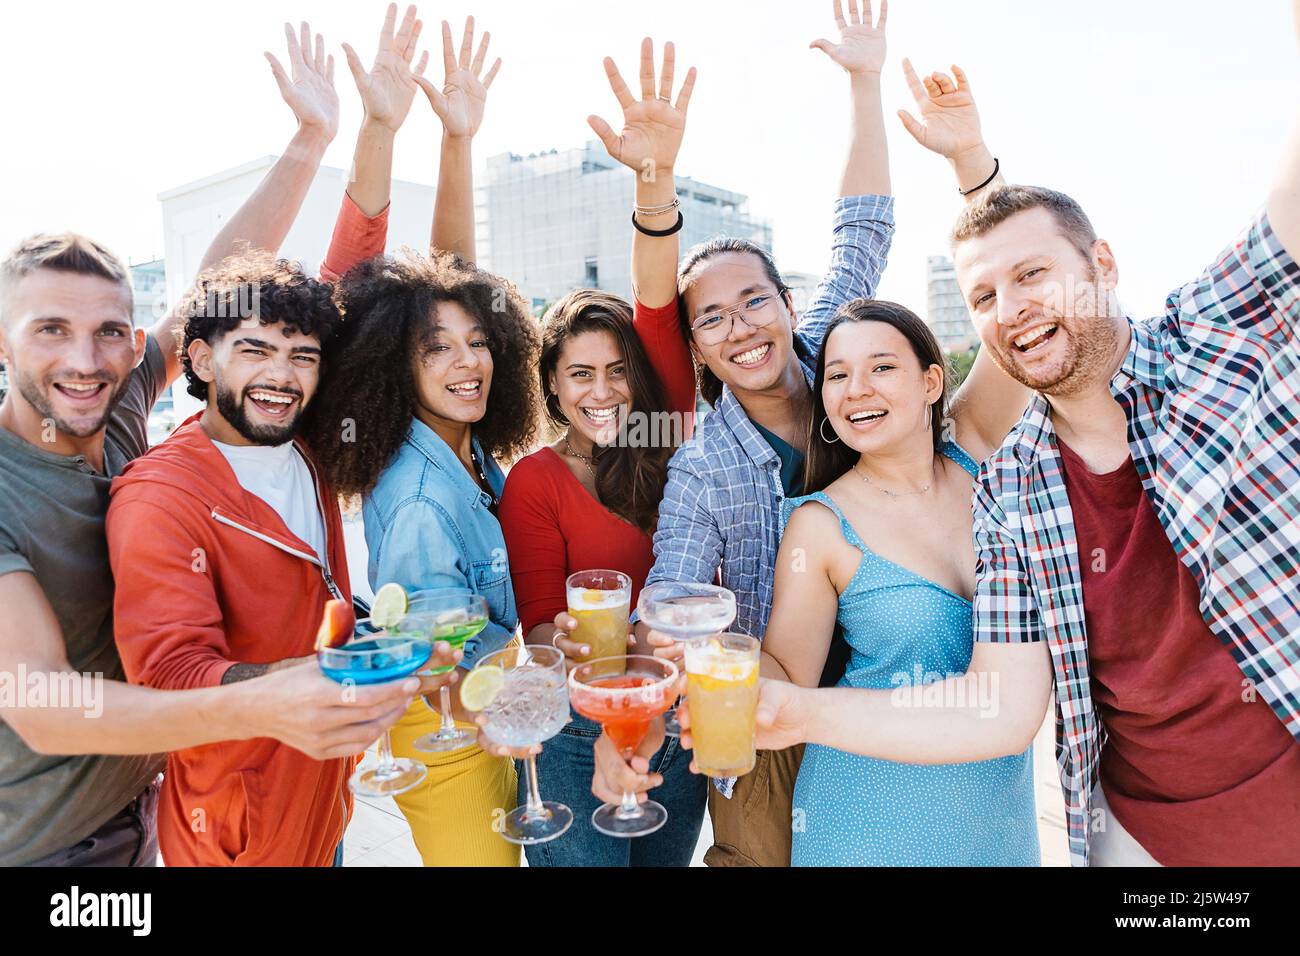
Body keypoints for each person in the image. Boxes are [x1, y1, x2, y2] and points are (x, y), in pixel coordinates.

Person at [685, 1, 1300, 868]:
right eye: (983, 299)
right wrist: (774, 703)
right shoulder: (1011, 490)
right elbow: (1000, 706)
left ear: (936, 381)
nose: (1011, 311)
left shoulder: (1201, 344)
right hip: (1126, 839)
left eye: (1034, 276)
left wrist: (970, 160)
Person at [0, 17, 433, 868]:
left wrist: (317, 139)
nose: (84, 360)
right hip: (45, 843)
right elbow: (39, 698)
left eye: (109, 333)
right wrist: (283, 696)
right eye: (49, 329)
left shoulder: (110, 399)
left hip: (156, 799)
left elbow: (226, 296)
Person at [304, 14, 539, 869]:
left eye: (479, 343)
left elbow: (453, 284)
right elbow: (437, 660)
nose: (467, 361)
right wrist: (517, 723)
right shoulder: (417, 490)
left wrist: (456, 138)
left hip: (483, 694)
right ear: (391, 366)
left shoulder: (465, 447)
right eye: (435, 350)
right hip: (451, 721)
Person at [764, 297, 1034, 866]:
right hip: (865, 819)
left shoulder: (976, 451)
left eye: (882, 367)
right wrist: (708, 657)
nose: (856, 388)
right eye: (836, 375)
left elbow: (1013, 312)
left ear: (932, 381)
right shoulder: (819, 525)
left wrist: (978, 206)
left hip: (998, 820)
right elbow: (788, 676)